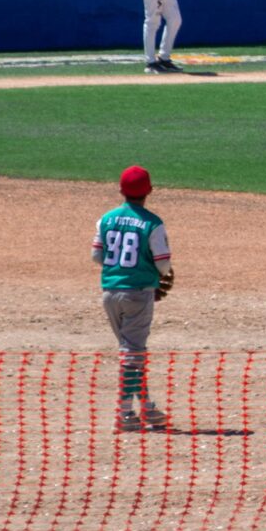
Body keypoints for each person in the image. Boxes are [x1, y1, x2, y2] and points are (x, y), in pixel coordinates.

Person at [93, 164, 175, 432]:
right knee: (133, 353)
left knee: (131, 352)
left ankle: (148, 408)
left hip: (109, 293)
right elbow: (163, 264)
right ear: (149, 191)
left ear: (120, 189)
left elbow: (97, 256)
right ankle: (125, 414)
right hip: (138, 294)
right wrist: (153, 273)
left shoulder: (106, 219)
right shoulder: (153, 223)